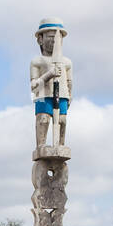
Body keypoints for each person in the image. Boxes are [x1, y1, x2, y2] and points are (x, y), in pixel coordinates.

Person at [30, 18, 72, 147]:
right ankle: (41, 145)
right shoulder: (37, 61)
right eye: (50, 36)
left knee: (62, 120)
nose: (54, 40)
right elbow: (33, 86)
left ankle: (60, 145)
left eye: (58, 37)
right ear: (40, 39)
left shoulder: (66, 62)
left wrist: (70, 96)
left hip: (62, 95)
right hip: (43, 95)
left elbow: (70, 82)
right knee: (43, 119)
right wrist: (49, 74)